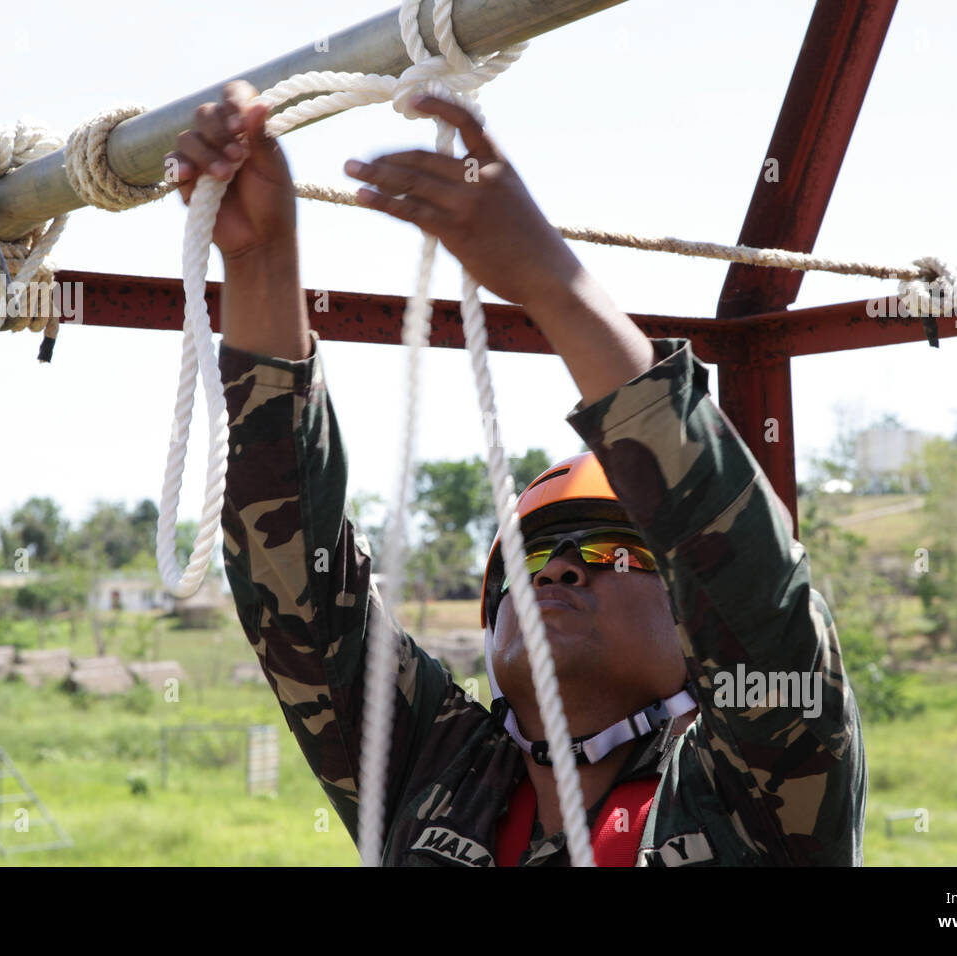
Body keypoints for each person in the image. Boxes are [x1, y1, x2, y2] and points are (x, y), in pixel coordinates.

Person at [167, 80, 867, 866]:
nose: (559, 568)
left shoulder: (749, 785)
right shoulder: (433, 767)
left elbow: (754, 592)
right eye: (529, 561)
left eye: (610, 551)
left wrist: (548, 281)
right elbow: (291, 582)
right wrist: (260, 258)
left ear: (694, 631)